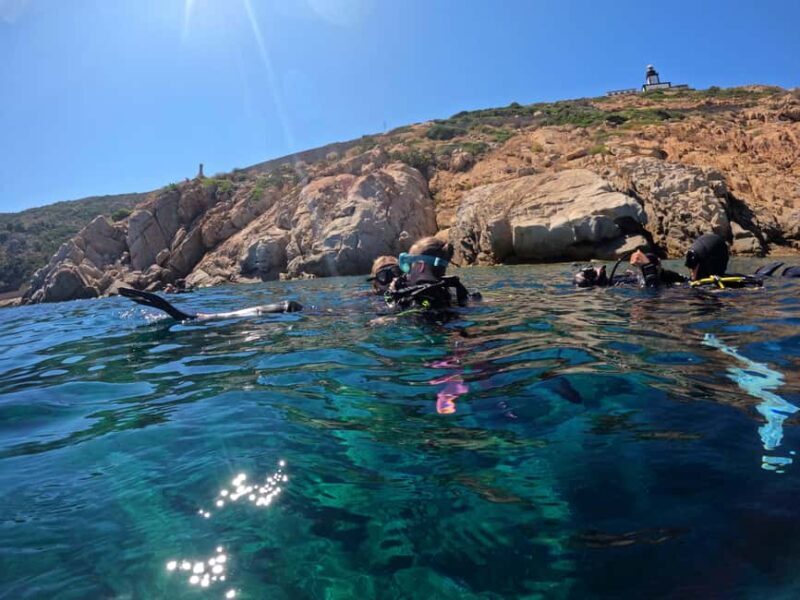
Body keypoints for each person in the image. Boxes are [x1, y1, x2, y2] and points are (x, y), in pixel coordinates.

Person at [384, 237, 472, 311]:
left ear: (421, 266)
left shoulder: (416, 297)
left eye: (410, 266)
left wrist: (392, 298)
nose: (406, 273)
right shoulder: (448, 292)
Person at [119, 287, 302, 321]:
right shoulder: (288, 310)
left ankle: (154, 300)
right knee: (184, 316)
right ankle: (154, 300)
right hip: (283, 309)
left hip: (280, 308)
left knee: (183, 316)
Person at [572, 249, 685, 288]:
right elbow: (652, 292)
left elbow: (653, 289)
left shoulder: (619, 280)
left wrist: (649, 268)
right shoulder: (627, 282)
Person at [685, 233, 762, 289]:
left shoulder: (733, 286)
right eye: (688, 262)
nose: (689, 268)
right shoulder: (689, 283)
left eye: (692, 263)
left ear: (707, 265)